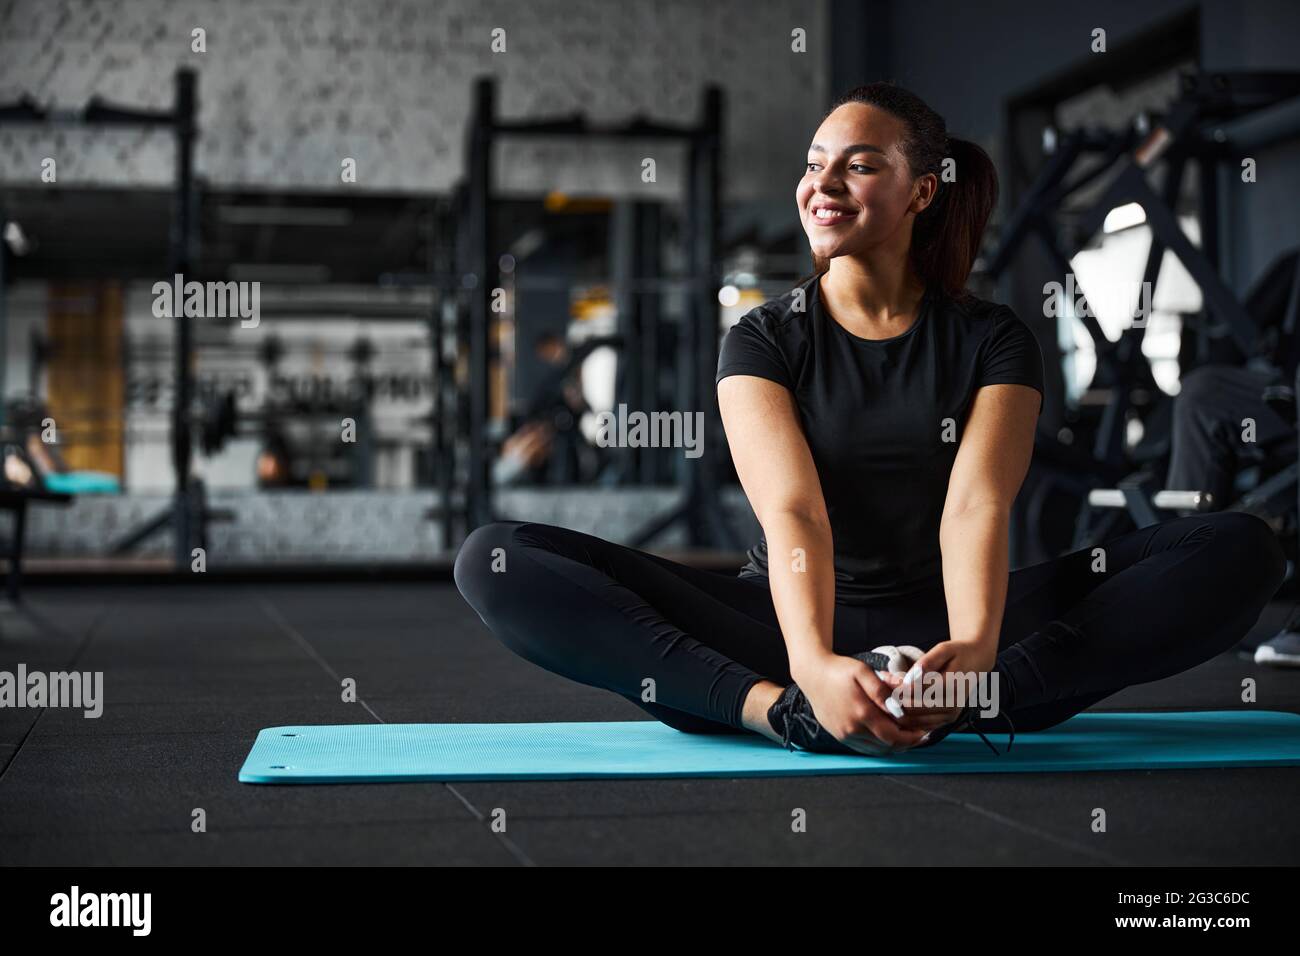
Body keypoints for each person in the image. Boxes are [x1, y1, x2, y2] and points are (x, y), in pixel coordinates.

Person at [454, 82, 1286, 756]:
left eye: (857, 166)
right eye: (816, 165)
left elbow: (977, 507)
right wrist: (813, 668)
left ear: (923, 190)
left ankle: (973, 706)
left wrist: (977, 653)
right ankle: (781, 717)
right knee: (495, 558)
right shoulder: (763, 338)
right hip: (782, 629)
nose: (823, 184)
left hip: (955, 629)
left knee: (1239, 547)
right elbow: (793, 513)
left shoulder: (994, 338)